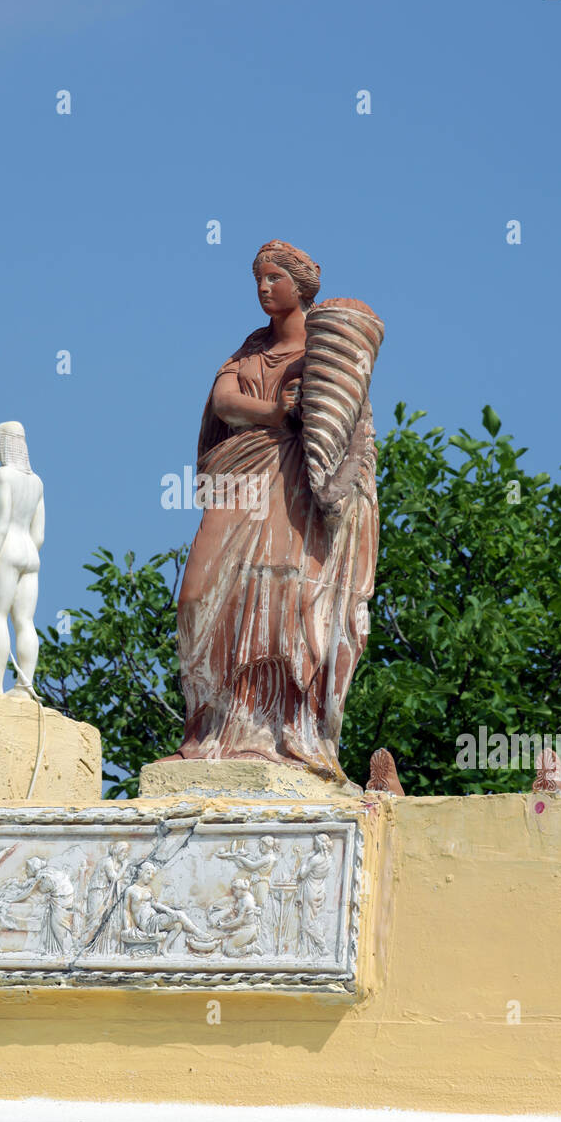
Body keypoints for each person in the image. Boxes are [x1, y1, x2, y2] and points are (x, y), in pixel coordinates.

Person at [155, 241, 382, 781]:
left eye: (273, 278)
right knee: (198, 596)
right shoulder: (250, 349)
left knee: (280, 600)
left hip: (294, 483)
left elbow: (347, 431)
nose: (262, 287)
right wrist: (276, 411)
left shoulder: (322, 352)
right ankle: (205, 728)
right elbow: (224, 403)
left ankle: (269, 731)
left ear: (300, 287)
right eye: (257, 277)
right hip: (238, 480)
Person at [0, 421, 45, 697]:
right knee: (25, 621)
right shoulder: (36, 481)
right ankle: (24, 686)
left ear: (3, 443)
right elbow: (39, 534)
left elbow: (2, 521)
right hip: (30, 553)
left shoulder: (1, 476)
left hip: (7, 549)